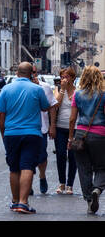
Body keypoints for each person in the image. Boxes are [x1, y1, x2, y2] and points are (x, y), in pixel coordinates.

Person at [0, 61, 51, 215]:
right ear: (32, 74)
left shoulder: (6, 89)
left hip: (11, 134)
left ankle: (14, 201)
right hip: (32, 134)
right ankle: (23, 202)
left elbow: (1, 115)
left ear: (17, 73)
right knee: (27, 167)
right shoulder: (37, 89)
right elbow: (45, 107)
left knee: (14, 168)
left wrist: (3, 134)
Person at [69, 65, 105, 214]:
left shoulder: (77, 95)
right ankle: (97, 188)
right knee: (102, 167)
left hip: (81, 134)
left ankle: (89, 199)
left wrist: (70, 137)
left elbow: (72, 119)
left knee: (83, 169)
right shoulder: (103, 94)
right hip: (100, 135)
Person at [50, 67, 78, 195]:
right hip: (61, 127)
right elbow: (56, 104)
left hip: (76, 128)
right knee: (61, 154)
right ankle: (62, 182)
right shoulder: (58, 90)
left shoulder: (78, 91)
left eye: (66, 77)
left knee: (73, 156)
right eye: (62, 77)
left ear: (72, 78)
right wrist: (62, 89)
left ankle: (70, 184)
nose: (63, 79)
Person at [36, 74, 56, 196]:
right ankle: (27, 181)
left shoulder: (44, 87)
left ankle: (42, 176)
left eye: (33, 73)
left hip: (42, 128)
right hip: (25, 129)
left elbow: (52, 106)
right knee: (27, 159)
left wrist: (52, 125)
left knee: (42, 157)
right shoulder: (17, 87)